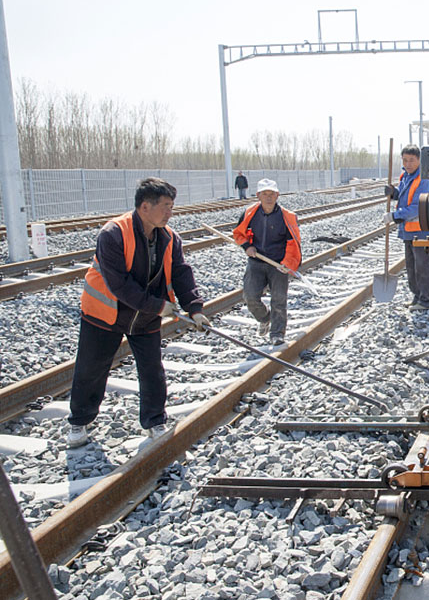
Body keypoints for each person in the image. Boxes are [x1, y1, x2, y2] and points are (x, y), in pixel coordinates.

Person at [67, 178, 210, 448]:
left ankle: (155, 421)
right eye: (166, 206)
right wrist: (158, 306)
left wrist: (195, 308)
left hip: (144, 316)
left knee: (152, 369)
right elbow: (119, 284)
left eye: (172, 206)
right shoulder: (113, 234)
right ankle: (79, 421)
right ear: (145, 207)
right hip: (106, 313)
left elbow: (181, 273)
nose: (170, 213)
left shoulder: (169, 238)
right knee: (91, 368)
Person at [233, 178, 302, 345]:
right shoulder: (249, 213)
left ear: (277, 195)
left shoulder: (287, 216)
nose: (269, 197)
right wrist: (247, 247)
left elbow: (293, 243)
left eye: (272, 194)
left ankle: (277, 334)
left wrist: (288, 263)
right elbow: (238, 234)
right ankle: (265, 318)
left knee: (279, 300)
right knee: (250, 297)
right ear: (258, 195)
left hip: (279, 265)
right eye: (265, 194)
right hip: (256, 262)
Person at [384, 146, 429, 311]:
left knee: (422, 267)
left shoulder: (423, 179)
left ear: (419, 160)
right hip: (408, 231)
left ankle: (426, 300)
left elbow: (416, 206)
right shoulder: (405, 176)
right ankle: (417, 297)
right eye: (405, 160)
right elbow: (405, 197)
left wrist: (395, 216)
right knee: (411, 267)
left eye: (411, 160)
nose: (408, 164)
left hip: (421, 231)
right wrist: (394, 193)